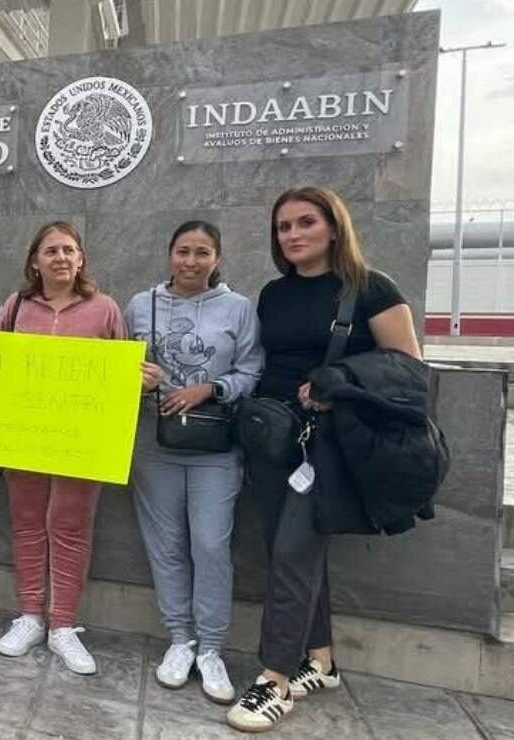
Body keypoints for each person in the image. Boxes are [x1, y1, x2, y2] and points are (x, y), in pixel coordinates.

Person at [225, 187, 421, 732]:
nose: (293, 235)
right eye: (284, 226)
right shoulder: (272, 293)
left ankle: (275, 678)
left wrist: (337, 383)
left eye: (305, 223)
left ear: (334, 227)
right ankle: (322, 659)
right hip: (272, 438)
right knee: (289, 552)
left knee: (293, 551)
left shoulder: (371, 289)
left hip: (330, 441)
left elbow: (407, 368)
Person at [124, 221, 263, 703]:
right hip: (153, 442)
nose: (190, 261)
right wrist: (138, 377)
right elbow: (119, 364)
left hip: (216, 446)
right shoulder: (142, 305)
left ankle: (211, 649)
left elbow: (252, 370)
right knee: (164, 545)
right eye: (182, 251)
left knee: (209, 544)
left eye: (201, 252)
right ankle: (179, 640)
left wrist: (211, 388)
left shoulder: (239, 308)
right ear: (169, 254)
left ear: (216, 257)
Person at [0, 221, 126, 675]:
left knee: (69, 526)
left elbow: (120, 372)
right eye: (51, 251)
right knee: (28, 523)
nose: (61, 258)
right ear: (35, 260)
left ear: (82, 259)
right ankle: (30, 615)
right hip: (25, 436)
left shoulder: (104, 309)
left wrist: (140, 379)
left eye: (69, 250)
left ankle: (63, 626)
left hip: (81, 440)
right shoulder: (16, 307)